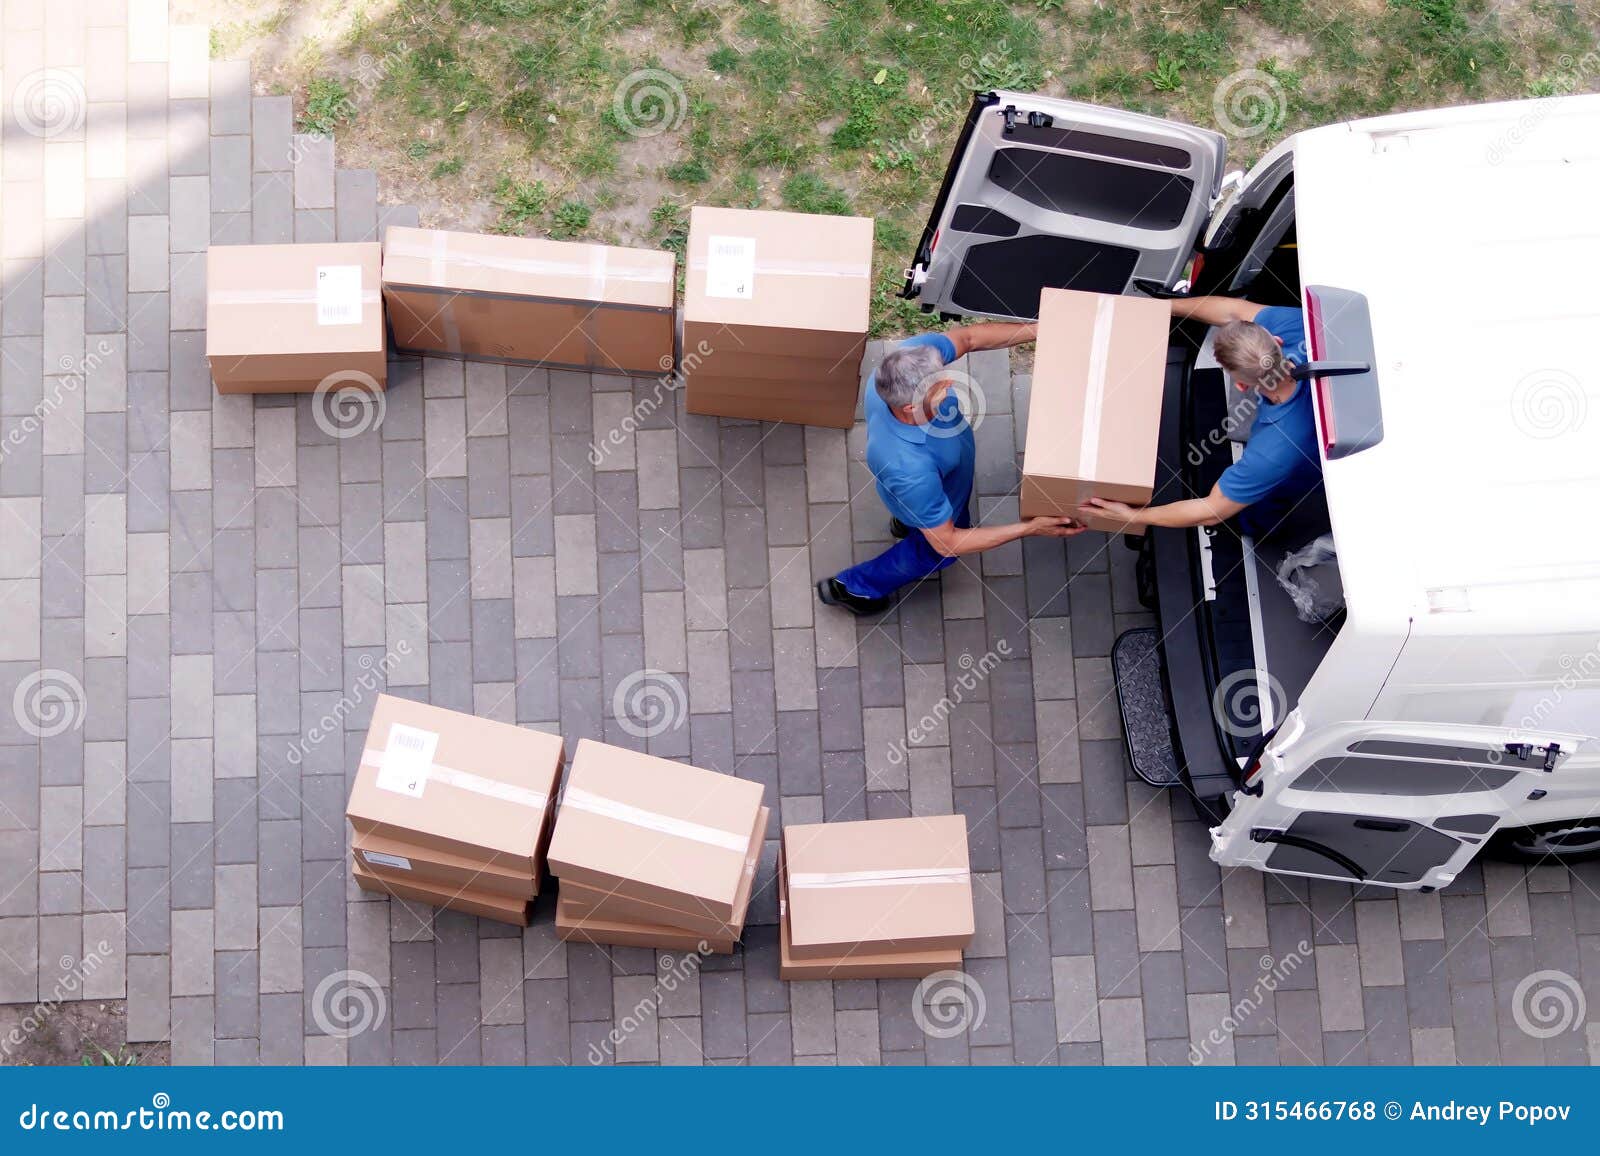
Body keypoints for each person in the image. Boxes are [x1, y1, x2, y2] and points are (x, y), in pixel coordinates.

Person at [816, 324, 1084, 616]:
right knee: (933, 553)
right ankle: (855, 587)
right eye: (940, 387)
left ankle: (908, 523)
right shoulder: (911, 469)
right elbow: (948, 542)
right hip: (930, 494)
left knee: (921, 519)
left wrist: (1039, 330)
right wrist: (1032, 528)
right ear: (910, 408)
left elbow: (968, 338)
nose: (950, 384)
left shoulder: (904, 364)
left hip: (932, 487)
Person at [1079, 296, 1323, 540]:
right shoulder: (1302, 326)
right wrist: (1164, 307)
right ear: (1276, 340)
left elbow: (1212, 510)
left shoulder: (1271, 453)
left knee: (1257, 510)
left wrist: (1135, 517)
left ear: (1240, 385)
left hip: (1311, 471)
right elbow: (1233, 310)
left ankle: (1257, 529)